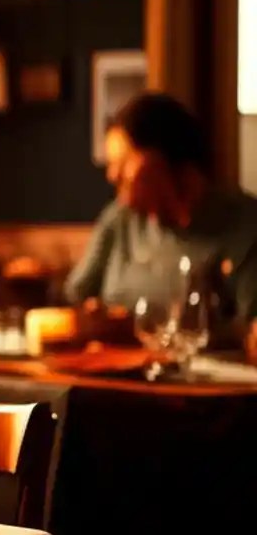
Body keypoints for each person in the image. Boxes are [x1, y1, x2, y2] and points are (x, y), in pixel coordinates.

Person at [66, 93, 257, 346]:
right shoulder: (118, 219)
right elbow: (76, 296)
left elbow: (249, 331)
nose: (112, 175)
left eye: (124, 163)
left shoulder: (243, 223)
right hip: (114, 373)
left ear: (167, 157)